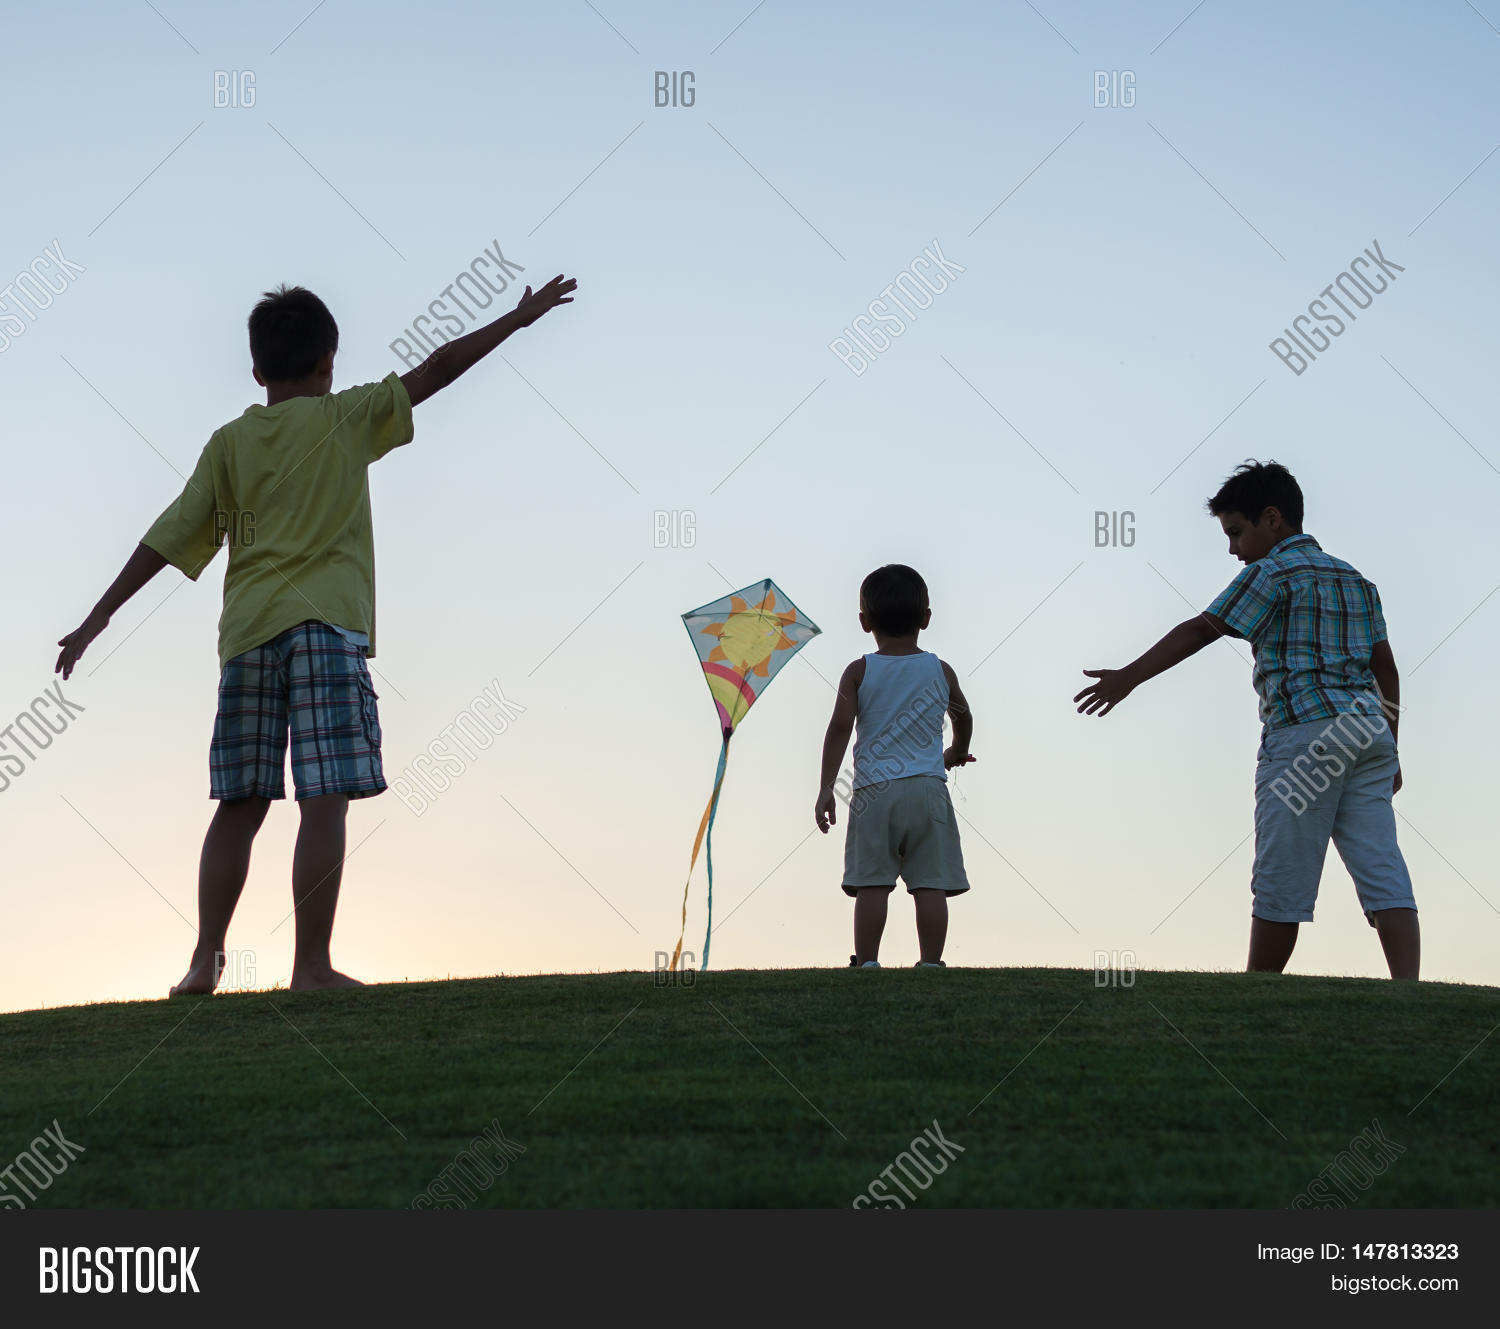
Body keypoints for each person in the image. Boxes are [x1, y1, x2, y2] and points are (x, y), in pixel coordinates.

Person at [55, 273, 577, 994]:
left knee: (239, 804)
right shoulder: (347, 416)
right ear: (329, 362)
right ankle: (310, 967)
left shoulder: (230, 444)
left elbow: (168, 534)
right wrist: (515, 321)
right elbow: (436, 370)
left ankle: (204, 961)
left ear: (256, 370)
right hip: (325, 630)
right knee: (323, 797)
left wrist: (99, 616)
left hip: (248, 638)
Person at [1074, 460, 1418, 979]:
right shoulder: (1356, 580)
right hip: (1368, 732)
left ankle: (1258, 987)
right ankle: (1409, 988)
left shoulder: (1270, 574)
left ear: (1272, 519)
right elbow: (1385, 669)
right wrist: (1392, 746)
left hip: (1305, 733)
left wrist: (1129, 677)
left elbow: (1201, 629)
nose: (1233, 549)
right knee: (1381, 864)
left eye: (1236, 532)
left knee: (1283, 872)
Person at [815, 564, 974, 968]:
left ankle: (868, 962)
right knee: (930, 884)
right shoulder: (939, 669)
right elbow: (963, 715)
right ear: (926, 618)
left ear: (864, 622)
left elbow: (839, 728)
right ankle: (931, 962)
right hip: (928, 790)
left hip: (874, 792)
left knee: (872, 883)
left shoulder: (859, 671)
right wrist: (956, 750)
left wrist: (826, 788)